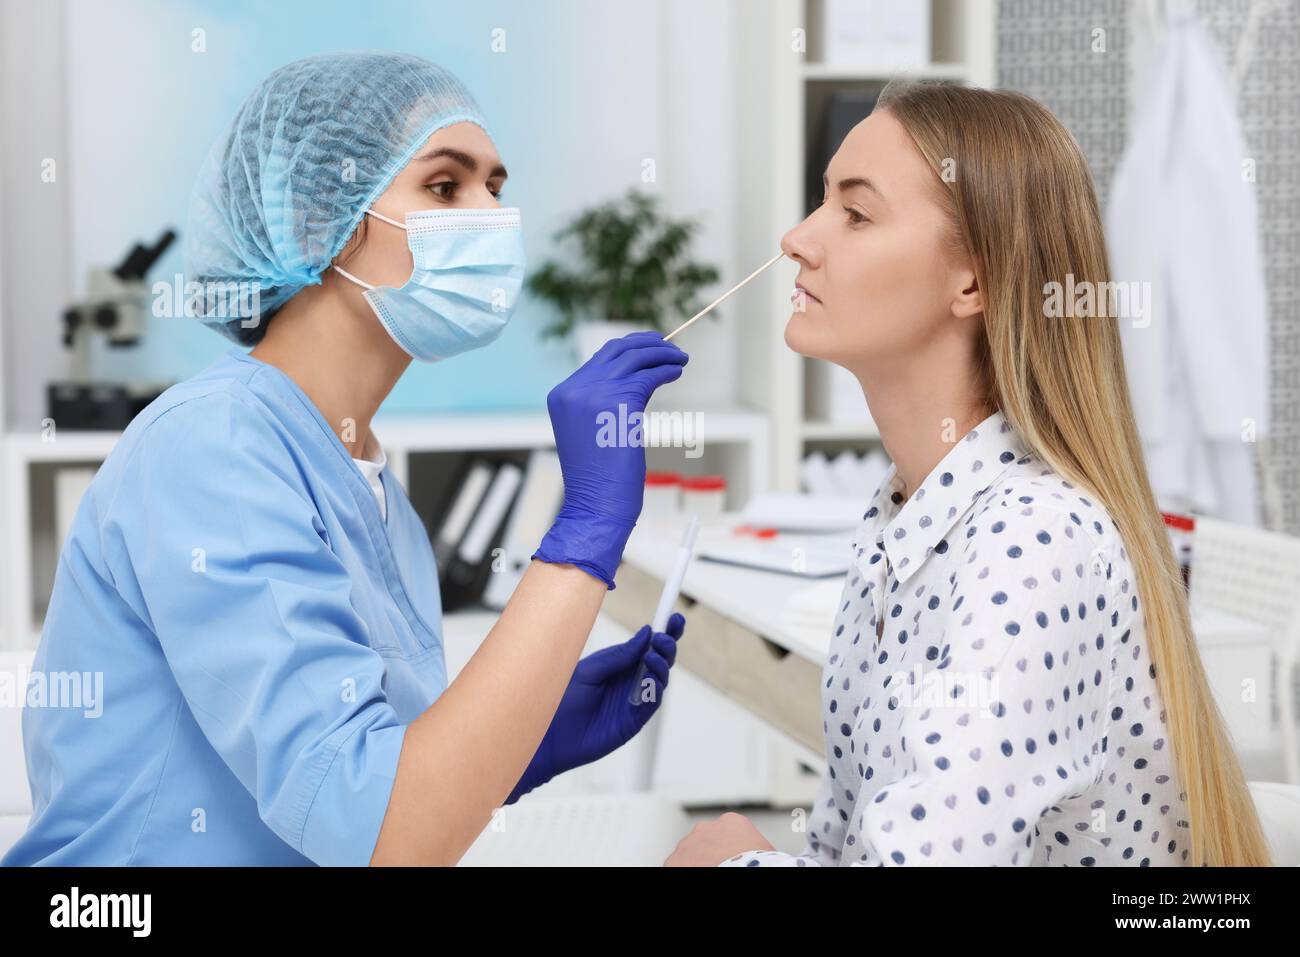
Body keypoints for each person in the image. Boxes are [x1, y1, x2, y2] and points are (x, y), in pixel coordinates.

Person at [4, 51, 689, 867]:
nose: (490, 216)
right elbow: (381, 832)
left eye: (495, 187)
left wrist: (522, 742)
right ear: (312, 221)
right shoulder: (215, 449)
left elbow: (369, 777)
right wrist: (584, 532)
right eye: (445, 186)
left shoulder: (372, 492)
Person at [667, 81, 1270, 867]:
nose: (797, 238)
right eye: (823, 203)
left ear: (973, 283)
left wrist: (724, 864)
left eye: (855, 213)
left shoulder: (1036, 543)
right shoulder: (898, 521)